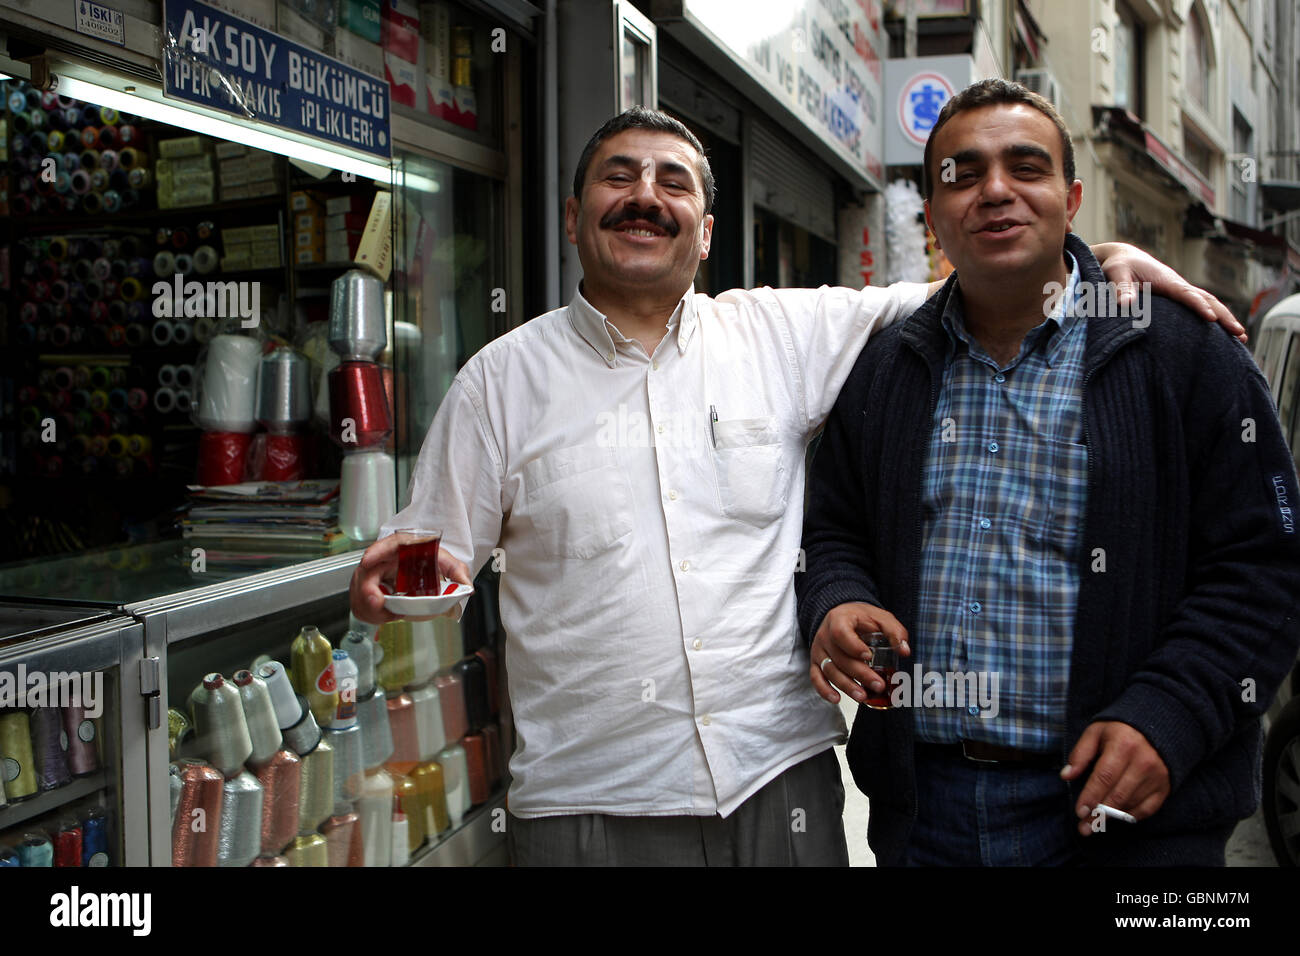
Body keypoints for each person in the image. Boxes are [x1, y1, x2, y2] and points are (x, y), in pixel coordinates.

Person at [350, 106, 1245, 866]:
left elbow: (975, 281)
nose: (645, 198)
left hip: (780, 786)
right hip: (594, 800)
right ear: (575, 215)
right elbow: (437, 557)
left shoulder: (779, 333)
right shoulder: (497, 383)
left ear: (705, 230)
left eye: (674, 184)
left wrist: (1105, 260)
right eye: (619, 178)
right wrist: (397, 577)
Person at [796, 78, 1300, 866]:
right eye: (964, 174)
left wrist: (1169, 713)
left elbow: (1264, 566)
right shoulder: (889, 365)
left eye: (1024, 167)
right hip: (924, 815)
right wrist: (840, 596)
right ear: (934, 217)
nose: (995, 190)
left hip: (1128, 824)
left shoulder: (1182, 352)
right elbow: (834, 527)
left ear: (1070, 198)